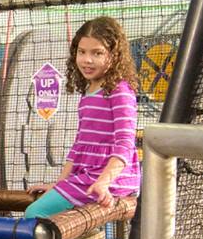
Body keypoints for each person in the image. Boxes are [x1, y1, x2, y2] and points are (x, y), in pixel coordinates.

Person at [24, 17, 140, 217]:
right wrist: (60, 184)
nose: (87, 60)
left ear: (115, 56)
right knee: (61, 217)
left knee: (35, 213)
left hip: (109, 178)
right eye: (82, 52)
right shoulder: (89, 92)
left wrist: (104, 181)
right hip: (87, 176)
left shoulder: (119, 90)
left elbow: (125, 143)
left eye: (97, 53)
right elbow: (79, 145)